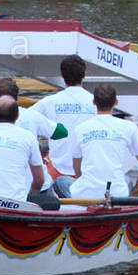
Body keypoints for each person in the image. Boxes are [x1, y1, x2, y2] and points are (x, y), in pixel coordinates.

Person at [62, 84, 138, 202]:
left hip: (85, 194)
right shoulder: (129, 127)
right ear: (116, 102)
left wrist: (85, 181)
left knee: (60, 181)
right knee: (127, 179)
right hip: (117, 193)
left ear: (93, 102)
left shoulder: (80, 128)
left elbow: (76, 166)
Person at [0, 96, 55, 208]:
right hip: (15, 203)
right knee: (54, 202)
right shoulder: (28, 137)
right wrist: (29, 201)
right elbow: (39, 180)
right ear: (17, 116)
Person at [32, 56, 98, 197]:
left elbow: (24, 119)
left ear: (62, 75)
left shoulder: (49, 102)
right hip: (87, 171)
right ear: (84, 75)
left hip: (57, 171)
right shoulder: (96, 102)